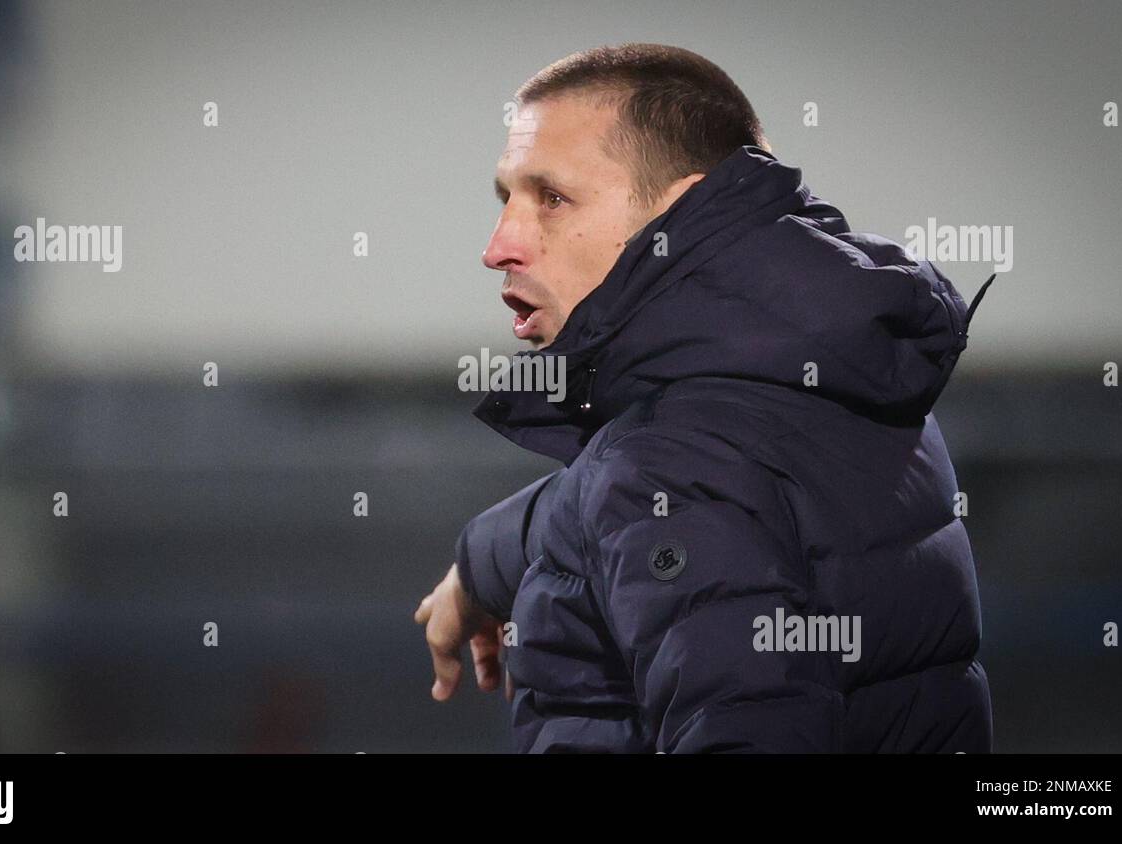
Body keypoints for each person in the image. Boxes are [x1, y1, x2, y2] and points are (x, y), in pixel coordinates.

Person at [414, 43, 993, 753]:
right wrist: (480, 566)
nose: (498, 245)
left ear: (677, 209)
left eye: (553, 198)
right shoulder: (826, 386)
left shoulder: (672, 461)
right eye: (507, 199)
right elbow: (612, 500)